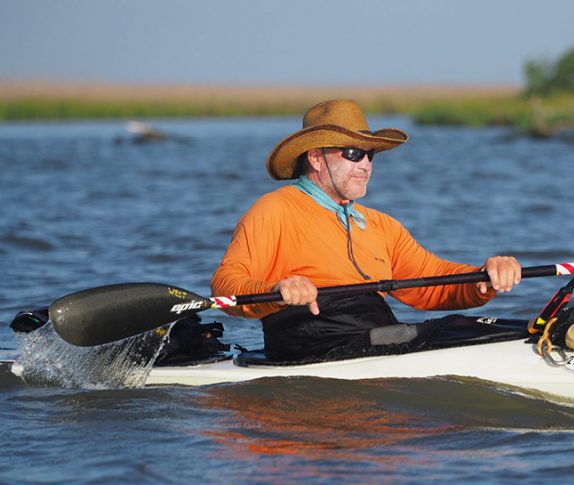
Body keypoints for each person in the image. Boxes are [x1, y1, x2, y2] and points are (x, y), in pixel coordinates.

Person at [211, 99, 521, 361]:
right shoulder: (274, 209)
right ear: (316, 158)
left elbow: (432, 282)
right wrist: (277, 291)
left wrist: (484, 277)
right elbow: (225, 286)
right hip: (310, 341)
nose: (365, 165)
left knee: (465, 326)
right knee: (449, 329)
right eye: (352, 153)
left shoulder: (381, 225)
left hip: (373, 335)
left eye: (369, 154)